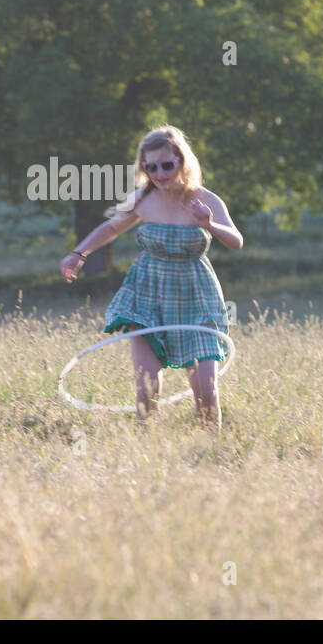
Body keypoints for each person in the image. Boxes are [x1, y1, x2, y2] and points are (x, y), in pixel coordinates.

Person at [60, 125, 242, 428]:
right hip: (147, 294)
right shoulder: (143, 199)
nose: (159, 172)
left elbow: (236, 241)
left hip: (195, 296)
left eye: (167, 165)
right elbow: (111, 228)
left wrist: (210, 225)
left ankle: (211, 453)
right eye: (150, 166)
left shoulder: (205, 200)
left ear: (182, 161)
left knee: (206, 393)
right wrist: (79, 253)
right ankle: (147, 448)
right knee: (146, 388)